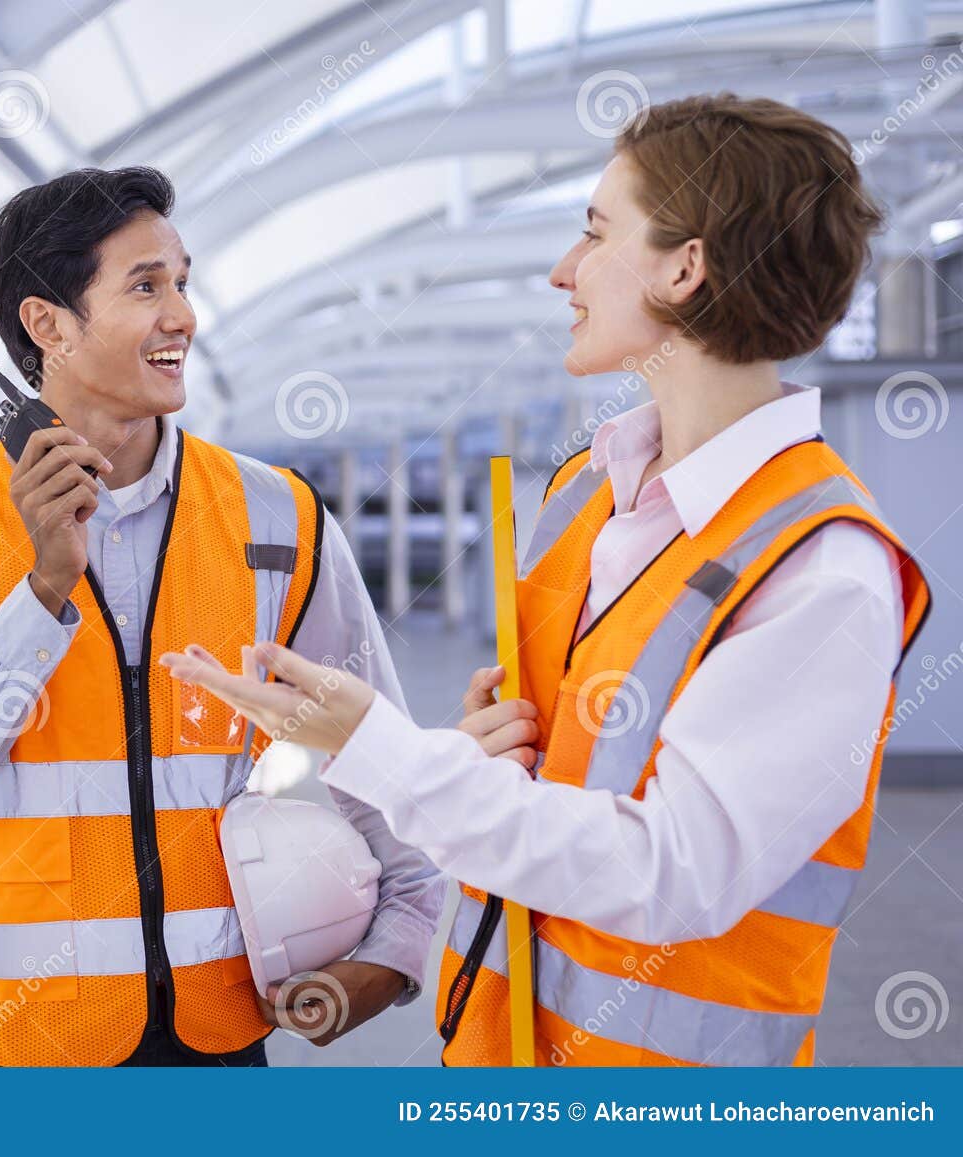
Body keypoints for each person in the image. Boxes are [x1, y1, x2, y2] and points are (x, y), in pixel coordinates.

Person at [161, 94, 931, 1067]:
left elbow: (670, 872)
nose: (562, 269)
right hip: (500, 1056)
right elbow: (564, 782)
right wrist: (478, 756)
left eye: (595, 232)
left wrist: (375, 746)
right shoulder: (584, 498)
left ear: (684, 267)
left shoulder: (821, 567)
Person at [0, 166, 442, 1067]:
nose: (185, 317)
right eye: (146, 286)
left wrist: (392, 958)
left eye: (183, 282)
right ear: (49, 325)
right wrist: (40, 594)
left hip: (222, 1045)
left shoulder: (278, 518)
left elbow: (381, 753)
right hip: (11, 1056)